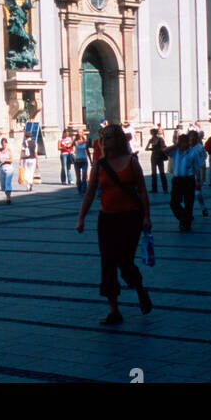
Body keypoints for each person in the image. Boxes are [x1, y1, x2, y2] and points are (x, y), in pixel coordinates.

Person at [76, 123, 153, 325]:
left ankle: (139, 289)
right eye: (103, 137)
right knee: (108, 263)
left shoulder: (132, 161)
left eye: (108, 137)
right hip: (107, 219)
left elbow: (142, 191)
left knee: (125, 261)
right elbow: (90, 192)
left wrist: (147, 216)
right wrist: (81, 217)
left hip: (130, 218)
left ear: (117, 139)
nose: (104, 140)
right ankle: (114, 310)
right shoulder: (99, 165)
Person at [169, 134, 202, 232]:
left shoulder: (193, 152)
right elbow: (164, 151)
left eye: (186, 142)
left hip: (189, 180)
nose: (185, 144)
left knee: (188, 202)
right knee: (174, 202)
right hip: (177, 180)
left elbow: (197, 167)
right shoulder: (175, 151)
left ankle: (185, 224)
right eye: (183, 142)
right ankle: (185, 218)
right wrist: (175, 145)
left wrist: (198, 181)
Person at [146, 128, 169, 194]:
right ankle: (165, 188)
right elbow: (164, 147)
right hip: (158, 157)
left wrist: (152, 149)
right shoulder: (160, 139)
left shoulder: (151, 140)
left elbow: (146, 148)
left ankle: (154, 189)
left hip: (154, 157)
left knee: (154, 173)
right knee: (161, 173)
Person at [0, 138, 14, 202]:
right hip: (1, 169)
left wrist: (4, 160)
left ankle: (8, 198)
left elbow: (11, 160)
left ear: (6, 143)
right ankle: (7, 196)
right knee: (3, 185)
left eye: (5, 143)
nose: (3, 145)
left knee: (8, 183)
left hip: (9, 168)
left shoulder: (9, 150)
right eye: (2, 144)